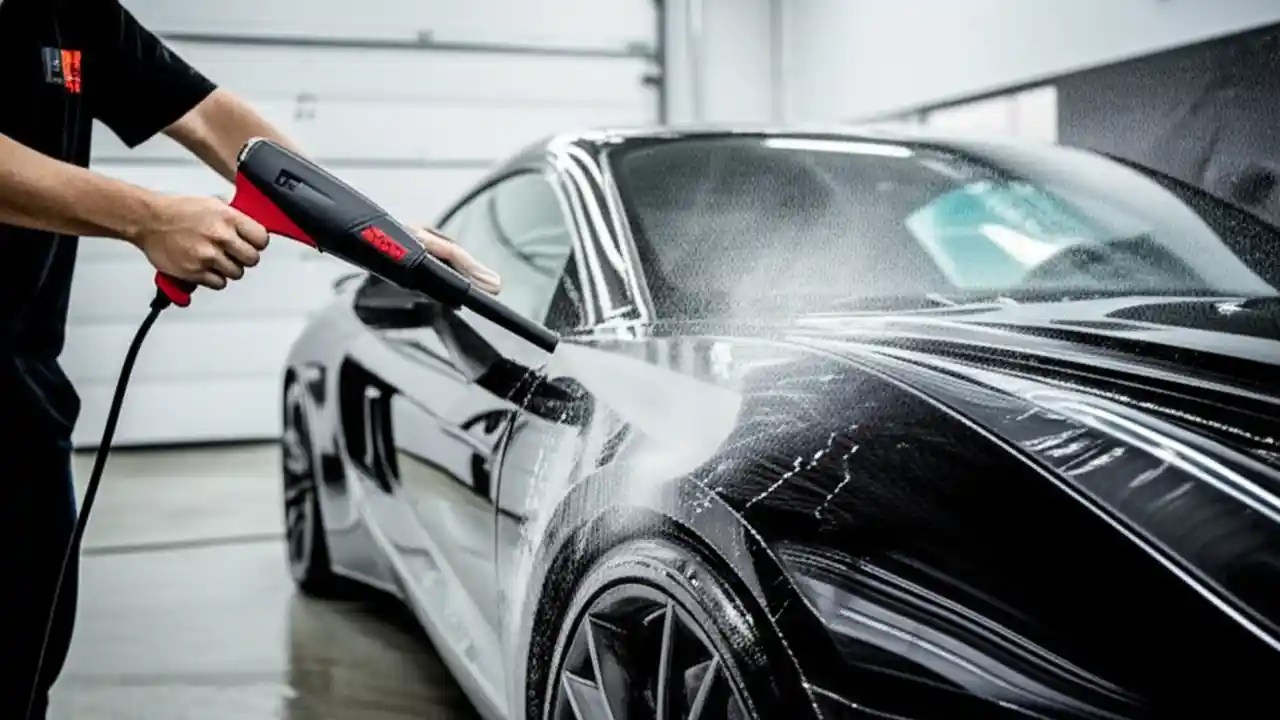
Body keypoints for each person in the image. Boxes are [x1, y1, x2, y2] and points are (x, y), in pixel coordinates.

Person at [0, 1, 500, 716]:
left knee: (26, 657)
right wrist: (148, 217)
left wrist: (373, 233)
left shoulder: (74, 14)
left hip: (25, 394)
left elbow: (214, 120)